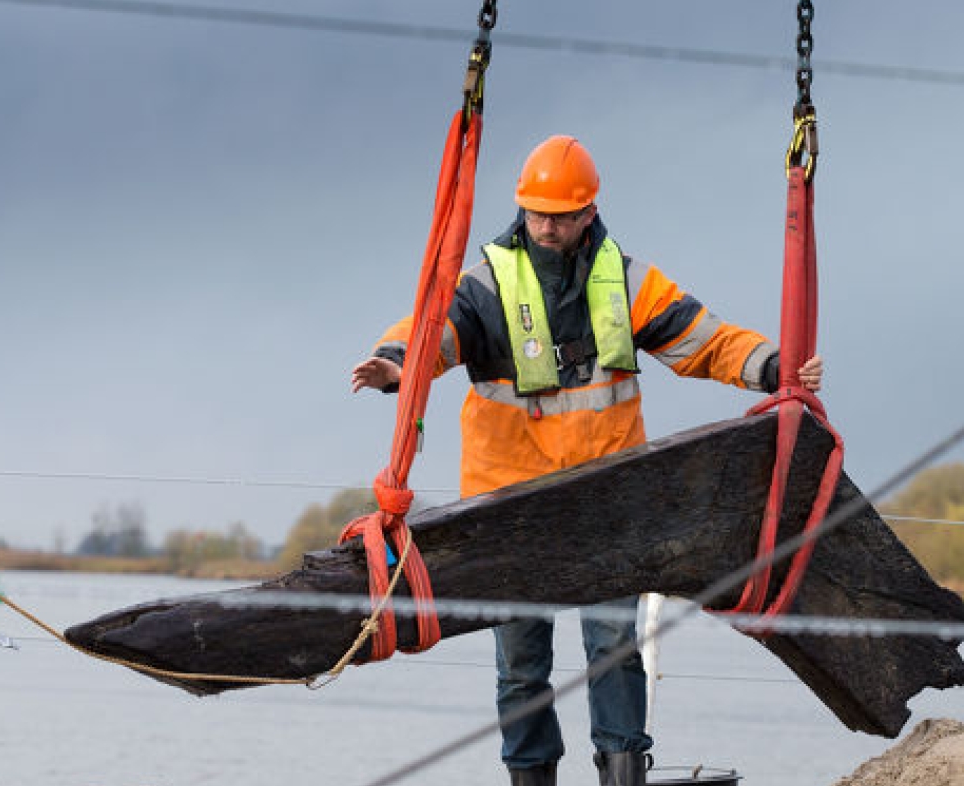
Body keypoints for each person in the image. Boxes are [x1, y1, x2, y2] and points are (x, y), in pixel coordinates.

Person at [351, 135, 823, 786]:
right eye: (537, 212)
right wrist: (395, 366)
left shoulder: (626, 283)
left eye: (561, 214)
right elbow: (433, 331)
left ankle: (622, 773)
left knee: (614, 648)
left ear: (588, 211)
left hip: (608, 500)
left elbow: (703, 341)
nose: (547, 224)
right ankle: (531, 777)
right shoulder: (486, 285)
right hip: (510, 509)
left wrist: (775, 366)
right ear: (522, 207)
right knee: (520, 664)